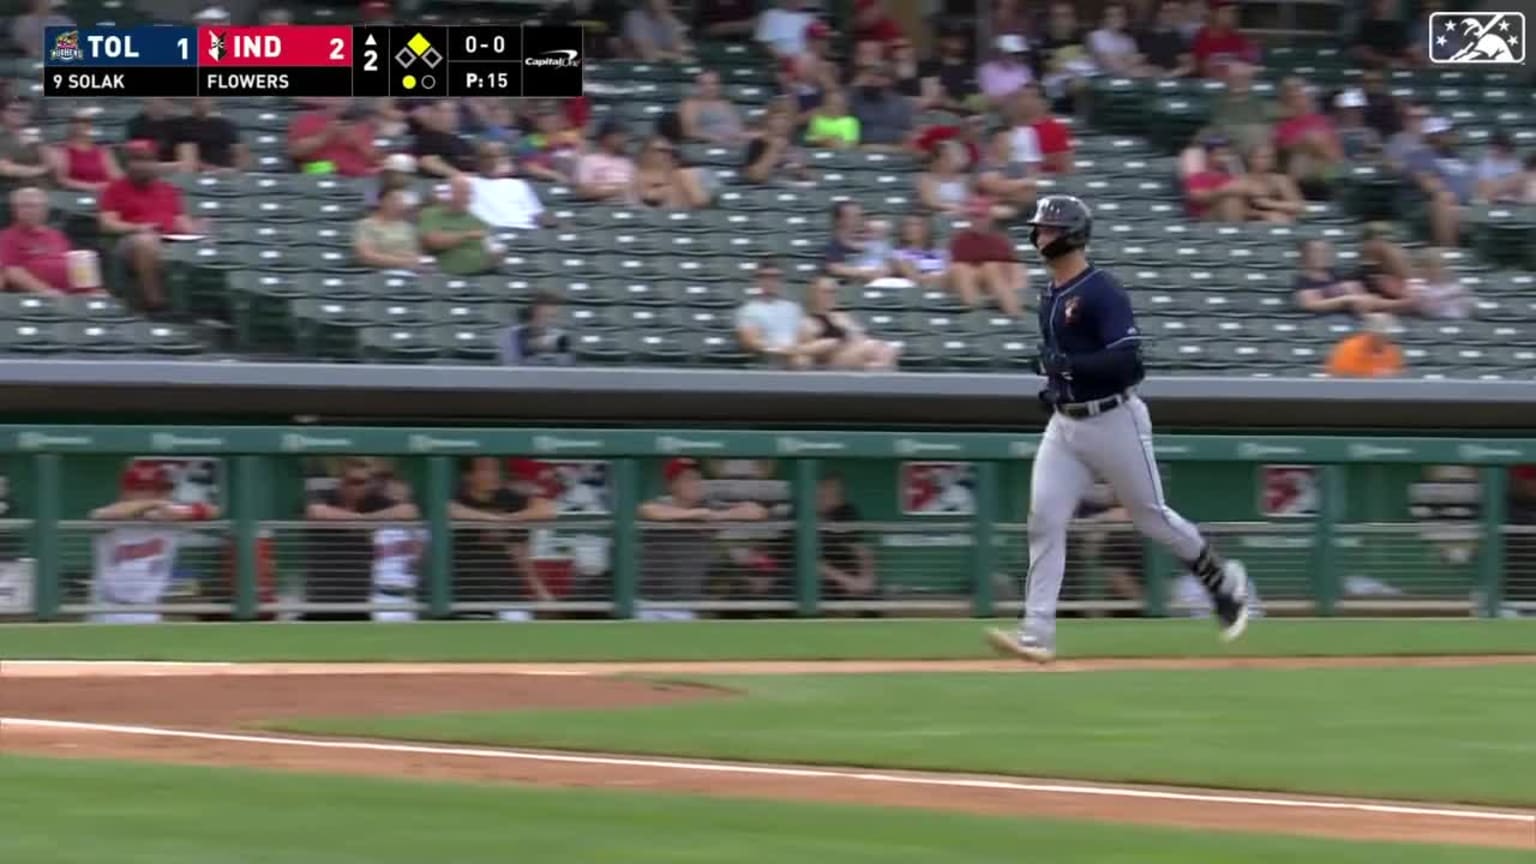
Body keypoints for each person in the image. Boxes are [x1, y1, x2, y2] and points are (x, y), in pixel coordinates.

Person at [986, 195, 1250, 663]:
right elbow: (1065, 369)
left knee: (1151, 517)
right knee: (1044, 520)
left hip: (1114, 418)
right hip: (1066, 424)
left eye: (1048, 229)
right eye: (1039, 228)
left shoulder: (1100, 289)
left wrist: (1069, 366)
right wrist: (1057, 383)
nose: (1040, 235)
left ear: (1071, 234)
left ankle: (1222, 582)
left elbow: (1128, 362)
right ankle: (1036, 634)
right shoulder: (1050, 293)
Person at [89, 461, 220, 624]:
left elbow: (213, 511)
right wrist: (154, 504)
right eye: (147, 489)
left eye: (161, 490)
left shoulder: (168, 519)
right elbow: (99, 515)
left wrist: (186, 512)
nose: (159, 494)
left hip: (149, 610)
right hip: (108, 610)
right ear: (128, 492)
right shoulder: (113, 515)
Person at [98, 141, 207, 312]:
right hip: (132, 241)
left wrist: (196, 231)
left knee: (207, 234)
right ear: (128, 164)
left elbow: (180, 219)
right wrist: (137, 228)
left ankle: (199, 304)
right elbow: (107, 224)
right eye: (136, 160)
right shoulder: (114, 189)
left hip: (169, 239)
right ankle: (156, 302)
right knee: (146, 242)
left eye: (146, 160)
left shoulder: (168, 189)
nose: (142, 165)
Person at [449, 456, 560, 616]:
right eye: (486, 469)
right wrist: (492, 519)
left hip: (508, 593)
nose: (494, 474)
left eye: (495, 469)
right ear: (469, 476)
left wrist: (510, 519)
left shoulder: (508, 498)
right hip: (468, 595)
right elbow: (447, 509)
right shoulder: (459, 497)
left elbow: (548, 510)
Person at [1, 186, 95, 296]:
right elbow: (12, 271)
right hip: (40, 297)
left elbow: (72, 265)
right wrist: (46, 291)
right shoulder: (7, 237)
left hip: (71, 296)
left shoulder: (57, 235)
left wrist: (90, 291)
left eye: (33, 206)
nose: (28, 211)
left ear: (45, 209)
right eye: (23, 206)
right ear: (14, 210)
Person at [798, 275, 899, 370]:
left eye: (833, 292)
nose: (830, 296)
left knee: (885, 354)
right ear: (814, 294)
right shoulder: (808, 322)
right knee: (879, 352)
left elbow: (860, 336)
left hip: (856, 352)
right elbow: (805, 352)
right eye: (826, 292)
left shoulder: (842, 316)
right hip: (834, 359)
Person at [948, 199, 1025, 317]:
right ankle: (978, 315)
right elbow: (956, 272)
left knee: (991, 267)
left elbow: (1015, 268)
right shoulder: (960, 241)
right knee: (962, 268)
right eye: (974, 216)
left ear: (989, 218)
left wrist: (1017, 288)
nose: (977, 220)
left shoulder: (1001, 242)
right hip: (969, 284)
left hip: (998, 284)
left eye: (981, 216)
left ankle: (1017, 317)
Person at [419, 174, 497, 276]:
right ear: (449, 193)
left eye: (468, 193)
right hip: (443, 276)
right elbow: (432, 242)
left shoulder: (480, 222)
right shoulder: (431, 214)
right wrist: (467, 235)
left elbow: (491, 252)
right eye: (461, 192)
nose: (466, 197)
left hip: (480, 276)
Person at [736, 259, 808, 367]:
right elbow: (750, 341)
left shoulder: (793, 308)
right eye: (766, 277)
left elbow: (804, 336)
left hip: (796, 353)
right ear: (758, 281)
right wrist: (779, 349)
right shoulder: (749, 310)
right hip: (769, 358)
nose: (770, 282)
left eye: (775, 278)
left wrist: (795, 349)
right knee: (801, 361)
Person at [1292, 238, 1391, 315]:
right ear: (1304, 256)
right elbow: (1309, 304)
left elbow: (1361, 297)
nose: (1323, 255)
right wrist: (1347, 299)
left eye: (1326, 251)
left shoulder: (1341, 274)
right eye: (1317, 251)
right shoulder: (1303, 282)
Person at [287, 98, 380, 176]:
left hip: (359, 176)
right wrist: (324, 137)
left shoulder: (363, 124)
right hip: (322, 172)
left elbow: (376, 159)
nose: (341, 100)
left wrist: (360, 144)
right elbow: (294, 152)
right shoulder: (308, 120)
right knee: (325, 167)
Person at [352, 187, 423, 271]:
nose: (398, 204)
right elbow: (366, 256)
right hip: (377, 274)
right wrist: (401, 261)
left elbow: (415, 256)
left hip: (408, 272)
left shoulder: (408, 227)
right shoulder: (365, 225)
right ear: (382, 201)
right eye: (394, 200)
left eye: (401, 201)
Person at [51, 108, 120, 192]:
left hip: (104, 194)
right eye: (76, 121)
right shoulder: (62, 150)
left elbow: (116, 176)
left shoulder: (103, 151)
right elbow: (61, 180)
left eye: (85, 122)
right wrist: (92, 187)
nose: (81, 125)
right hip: (75, 195)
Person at [630, 135, 709, 209]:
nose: (667, 155)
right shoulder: (636, 175)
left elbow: (700, 202)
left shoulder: (683, 175)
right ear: (646, 153)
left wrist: (688, 180)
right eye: (661, 151)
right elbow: (650, 197)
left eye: (670, 151)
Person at [499, 290, 573, 365]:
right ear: (533, 314)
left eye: (554, 317)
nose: (550, 321)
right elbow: (510, 366)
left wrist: (552, 351)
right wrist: (533, 347)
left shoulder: (559, 337)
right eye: (546, 316)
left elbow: (565, 369)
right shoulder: (511, 335)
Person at [176, 97, 247, 173]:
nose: (201, 104)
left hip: (228, 173)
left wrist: (235, 170)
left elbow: (240, 153)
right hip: (201, 174)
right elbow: (189, 160)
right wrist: (215, 170)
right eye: (197, 100)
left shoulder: (225, 124)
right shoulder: (183, 126)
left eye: (204, 100)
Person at [1190, 0, 1258, 78]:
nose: (1231, 16)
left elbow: (1251, 63)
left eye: (1234, 12)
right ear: (1214, 13)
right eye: (1226, 11)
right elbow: (1203, 70)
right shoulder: (1201, 37)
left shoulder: (1238, 39)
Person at [1326, 313, 1403, 378]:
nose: (1387, 339)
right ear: (1371, 333)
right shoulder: (1348, 349)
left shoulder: (1392, 352)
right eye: (1381, 335)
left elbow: (1397, 377)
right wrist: (1374, 375)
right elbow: (1343, 377)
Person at [574, 120, 635, 202]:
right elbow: (583, 191)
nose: (624, 140)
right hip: (598, 208)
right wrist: (619, 190)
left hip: (628, 206)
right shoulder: (589, 161)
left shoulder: (629, 162)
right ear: (606, 138)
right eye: (620, 136)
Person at [1242, 142, 1304, 223]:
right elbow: (1239, 210)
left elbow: (1298, 206)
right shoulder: (1241, 181)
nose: (1267, 161)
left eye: (1270, 157)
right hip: (1250, 223)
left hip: (1282, 220)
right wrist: (1264, 214)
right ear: (1251, 159)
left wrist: (1269, 203)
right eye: (1262, 157)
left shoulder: (1282, 180)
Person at [679, 71, 745, 145]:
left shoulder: (726, 103)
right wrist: (716, 138)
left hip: (736, 142)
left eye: (714, 83)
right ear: (697, 86)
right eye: (704, 84)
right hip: (710, 144)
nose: (710, 87)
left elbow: (738, 127)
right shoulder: (690, 104)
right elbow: (690, 132)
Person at [1407, 247, 1470, 320]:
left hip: (1460, 321)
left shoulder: (1453, 285)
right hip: (1431, 323)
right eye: (1432, 267)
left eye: (1441, 267)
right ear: (1423, 269)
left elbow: (1466, 305)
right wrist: (1449, 296)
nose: (1437, 271)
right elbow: (1427, 308)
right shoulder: (1416, 285)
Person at [1137, 0, 1195, 78]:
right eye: (1167, 11)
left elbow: (1189, 64)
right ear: (1157, 13)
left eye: (1175, 12)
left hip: (1174, 80)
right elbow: (1137, 62)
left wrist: (1169, 74)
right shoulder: (1143, 37)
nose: (1171, 15)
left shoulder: (1178, 37)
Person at [892, 213, 950, 288]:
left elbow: (950, 275)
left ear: (926, 229)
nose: (910, 229)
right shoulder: (898, 255)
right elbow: (916, 279)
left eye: (916, 225)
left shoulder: (941, 253)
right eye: (907, 225)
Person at [916, 140, 973, 216]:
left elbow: (971, 201)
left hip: (963, 215)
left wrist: (963, 209)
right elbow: (930, 202)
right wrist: (953, 208)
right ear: (940, 159)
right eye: (947, 157)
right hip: (938, 216)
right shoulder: (926, 178)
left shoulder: (966, 179)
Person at [623, 0, 692, 61]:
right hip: (637, 69)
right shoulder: (635, 18)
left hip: (665, 68)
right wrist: (677, 56)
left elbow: (682, 49)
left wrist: (670, 23)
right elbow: (647, 53)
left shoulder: (671, 20)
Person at [1350, 0, 1411, 69]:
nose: (1382, 4)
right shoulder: (1363, 25)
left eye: (1385, 2)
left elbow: (1410, 58)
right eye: (1379, 1)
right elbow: (1359, 53)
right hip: (1369, 72)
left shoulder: (1398, 29)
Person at [978, 34, 1035, 108]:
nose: (1013, 57)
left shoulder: (1024, 69)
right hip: (997, 110)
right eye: (1009, 53)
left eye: (1017, 54)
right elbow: (991, 98)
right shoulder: (987, 70)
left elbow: (1032, 91)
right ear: (999, 53)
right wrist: (1018, 95)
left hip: (1023, 108)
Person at [1474, 130, 1525, 203]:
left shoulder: (1516, 163)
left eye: (1500, 148)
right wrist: (1510, 184)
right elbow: (1487, 192)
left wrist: (1498, 187)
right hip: (1491, 204)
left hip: (1515, 203)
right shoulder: (1485, 164)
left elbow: (1520, 189)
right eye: (1494, 148)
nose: (1496, 151)